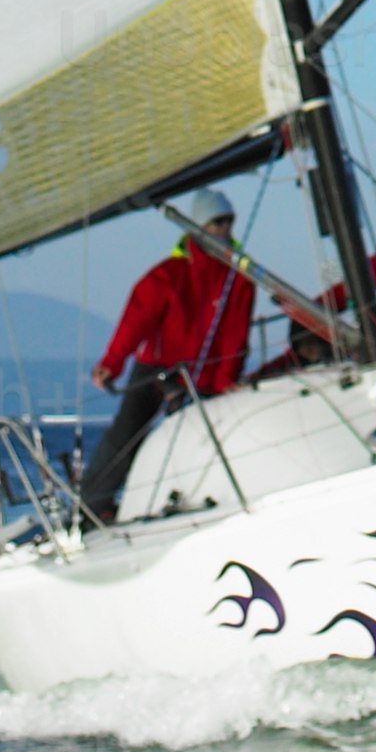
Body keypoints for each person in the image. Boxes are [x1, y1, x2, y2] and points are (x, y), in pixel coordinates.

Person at [77, 207, 255, 521]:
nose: (223, 229)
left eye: (228, 222)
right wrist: (111, 363)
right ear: (198, 226)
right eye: (216, 222)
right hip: (157, 367)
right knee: (127, 433)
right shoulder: (168, 274)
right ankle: (92, 509)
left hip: (206, 374)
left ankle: (196, 498)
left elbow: (234, 336)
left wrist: (226, 379)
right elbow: (137, 320)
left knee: (199, 436)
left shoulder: (239, 278)